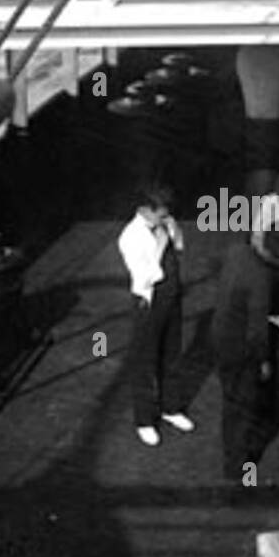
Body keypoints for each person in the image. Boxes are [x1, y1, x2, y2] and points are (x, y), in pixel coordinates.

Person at [116, 184, 195, 447]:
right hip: (150, 302)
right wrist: (161, 244)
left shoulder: (164, 223)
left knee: (172, 354)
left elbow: (180, 248)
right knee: (145, 361)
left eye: (166, 213)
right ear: (144, 210)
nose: (166, 218)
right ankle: (145, 420)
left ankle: (171, 408)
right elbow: (143, 278)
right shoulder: (130, 237)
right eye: (161, 214)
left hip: (173, 298)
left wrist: (172, 231)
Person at [211, 238, 274, 477]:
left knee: (230, 401)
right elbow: (257, 330)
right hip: (241, 351)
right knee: (243, 407)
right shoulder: (261, 278)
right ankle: (238, 467)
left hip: (219, 336)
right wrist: (263, 360)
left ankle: (233, 459)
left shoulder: (237, 251)